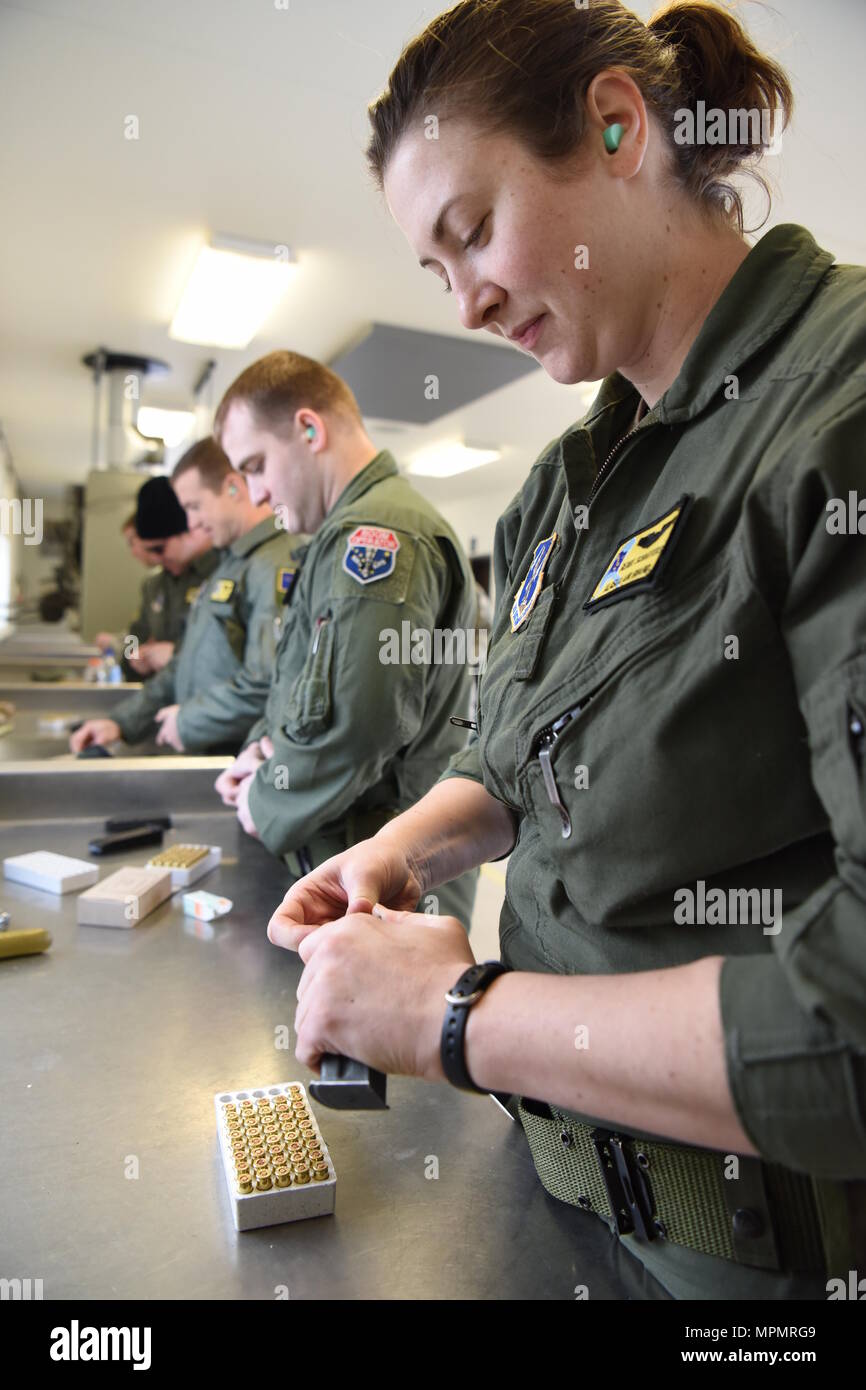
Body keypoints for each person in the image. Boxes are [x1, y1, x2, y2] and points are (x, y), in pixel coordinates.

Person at [265, 0, 866, 1300]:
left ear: (617, 126)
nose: (466, 299)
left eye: (470, 232)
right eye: (432, 271)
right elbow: (513, 753)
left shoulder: (836, 412)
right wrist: (400, 845)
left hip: (745, 1259)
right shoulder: (564, 488)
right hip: (550, 1172)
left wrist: (458, 1013)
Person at [213, 350, 479, 929]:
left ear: (309, 429)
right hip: (354, 867)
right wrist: (260, 755)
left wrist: (265, 800)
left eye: (256, 465)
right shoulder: (339, 536)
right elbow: (308, 693)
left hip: (381, 883)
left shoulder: (378, 535)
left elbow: (363, 724)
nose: (255, 494)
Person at [70, 438, 304, 755]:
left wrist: (188, 721)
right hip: (203, 755)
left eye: (195, 507)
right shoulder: (229, 566)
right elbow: (184, 665)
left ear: (234, 488)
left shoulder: (273, 564)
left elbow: (268, 683)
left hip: (240, 764)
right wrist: (122, 723)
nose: (192, 524)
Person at [94, 502, 217, 680]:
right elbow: (137, 634)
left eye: (133, 542)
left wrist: (175, 653)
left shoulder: (209, 575)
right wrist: (132, 656)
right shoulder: (153, 586)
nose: (134, 551)